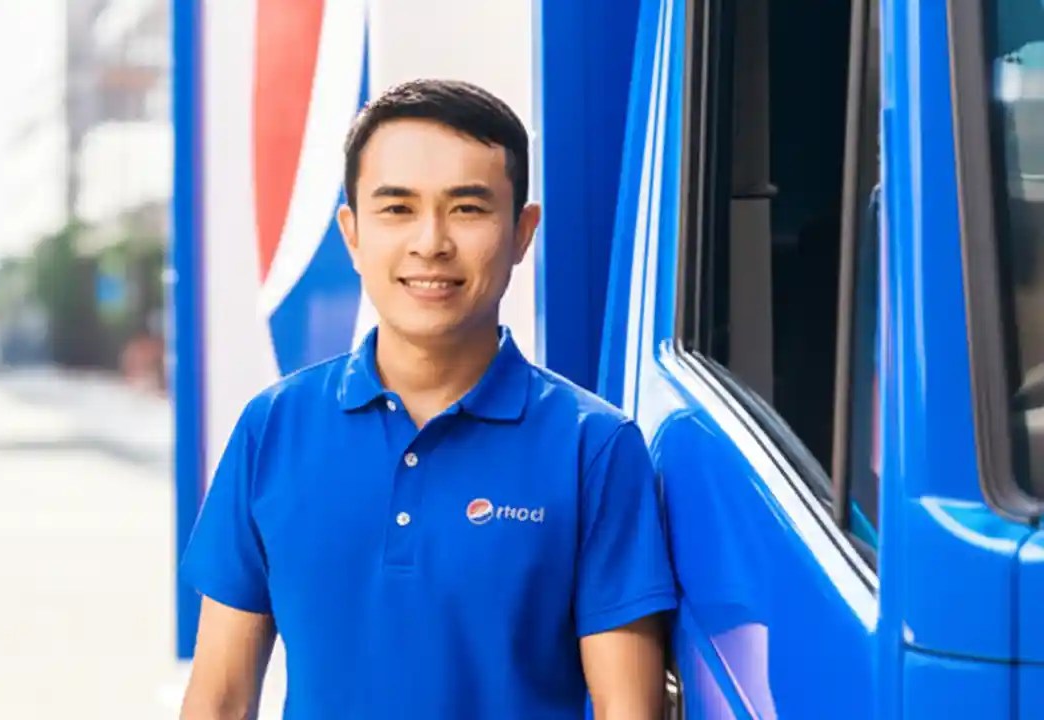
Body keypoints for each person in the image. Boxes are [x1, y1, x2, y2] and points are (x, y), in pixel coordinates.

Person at [179, 78, 676, 720]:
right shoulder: (273, 429)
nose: (431, 243)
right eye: (397, 209)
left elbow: (628, 709)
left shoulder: (595, 447)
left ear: (523, 231)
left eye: (468, 209)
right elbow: (219, 697)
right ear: (352, 233)